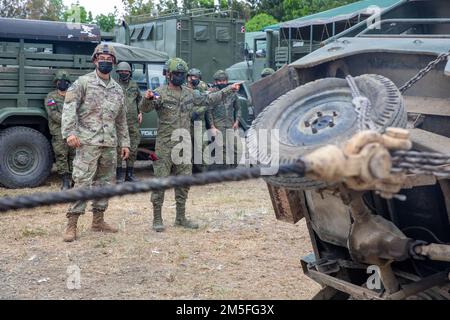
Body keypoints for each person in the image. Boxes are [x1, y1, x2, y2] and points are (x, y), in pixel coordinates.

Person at [139, 58, 240, 232]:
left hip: (184, 144)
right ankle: (157, 218)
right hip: (165, 145)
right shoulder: (159, 93)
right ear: (169, 75)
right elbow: (145, 108)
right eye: (176, 74)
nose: (179, 77)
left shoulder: (189, 93)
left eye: (182, 74)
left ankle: (180, 217)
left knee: (184, 181)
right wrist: (147, 99)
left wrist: (229, 90)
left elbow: (209, 100)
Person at [61, 43, 130, 242]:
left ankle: (98, 220)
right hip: (87, 143)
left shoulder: (117, 89)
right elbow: (69, 109)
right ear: (95, 60)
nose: (105, 62)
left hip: (109, 144)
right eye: (102, 58)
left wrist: (125, 142)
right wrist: (69, 133)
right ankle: (71, 224)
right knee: (82, 182)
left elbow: (121, 119)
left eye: (109, 60)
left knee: (105, 184)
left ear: (114, 63)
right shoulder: (82, 83)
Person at [45, 70, 75, 190]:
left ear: (69, 83)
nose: (62, 83)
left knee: (74, 155)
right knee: (61, 156)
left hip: (73, 131)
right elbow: (52, 113)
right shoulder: (51, 96)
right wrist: (67, 120)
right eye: (59, 81)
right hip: (59, 131)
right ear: (55, 82)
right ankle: (65, 181)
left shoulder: (73, 95)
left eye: (65, 81)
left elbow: (78, 110)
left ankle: (74, 179)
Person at [206, 70, 241, 169]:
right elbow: (209, 111)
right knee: (223, 149)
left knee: (235, 148)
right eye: (219, 81)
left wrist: (237, 121)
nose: (222, 83)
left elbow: (238, 108)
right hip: (218, 126)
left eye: (224, 81)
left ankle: (233, 168)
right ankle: (226, 171)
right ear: (216, 82)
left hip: (230, 125)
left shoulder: (232, 93)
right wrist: (212, 127)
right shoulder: (213, 94)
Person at [115, 62, 142, 183]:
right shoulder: (114, 85)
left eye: (126, 71)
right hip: (118, 122)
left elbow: (140, 100)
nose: (123, 73)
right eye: (121, 71)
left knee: (133, 147)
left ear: (130, 73)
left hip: (133, 122)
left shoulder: (134, 85)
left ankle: (129, 174)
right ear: (118, 73)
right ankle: (119, 175)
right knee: (118, 148)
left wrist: (140, 112)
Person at [187, 68, 209, 172]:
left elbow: (207, 104)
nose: (191, 79)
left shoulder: (202, 86)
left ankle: (204, 169)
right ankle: (191, 169)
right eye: (190, 76)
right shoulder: (185, 87)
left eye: (194, 76)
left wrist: (197, 112)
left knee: (202, 145)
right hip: (188, 122)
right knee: (189, 146)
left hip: (199, 121)